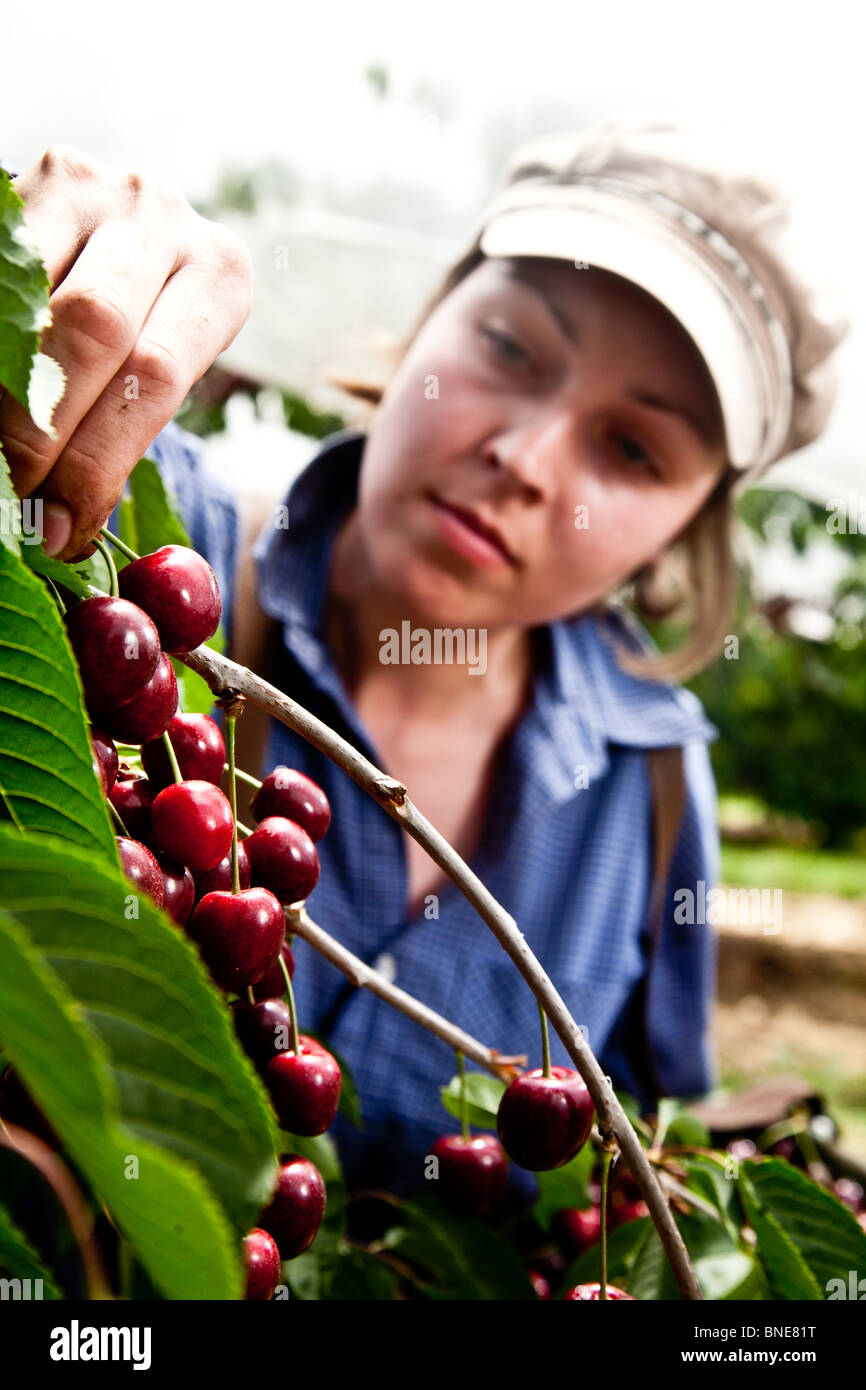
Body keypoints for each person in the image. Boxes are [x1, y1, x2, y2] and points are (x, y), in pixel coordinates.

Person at [0, 115, 848, 1201]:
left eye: (632, 448)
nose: (525, 458)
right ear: (431, 317)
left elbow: (625, 1171)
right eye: (509, 349)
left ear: (684, 526)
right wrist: (39, 282)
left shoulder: (655, 789)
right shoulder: (127, 549)